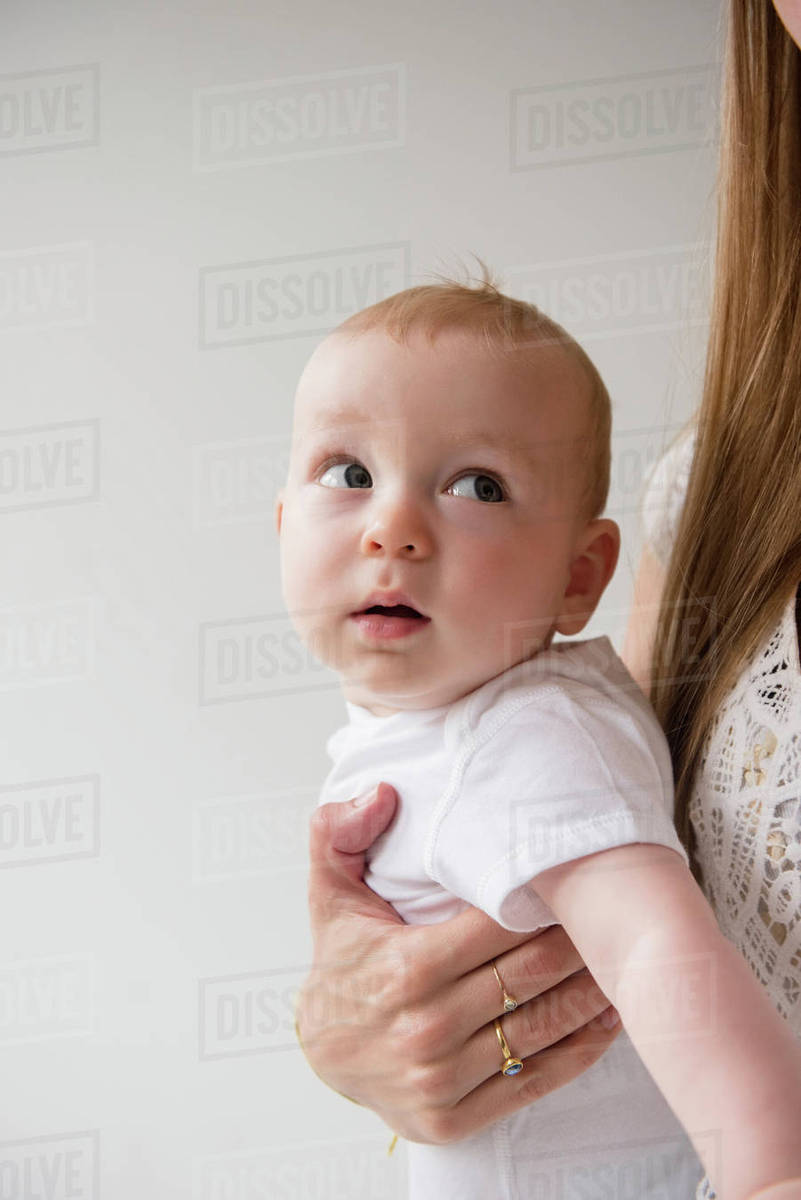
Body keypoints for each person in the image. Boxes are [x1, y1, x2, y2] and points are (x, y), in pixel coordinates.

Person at [290, 3, 801, 1199]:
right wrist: (353, 1019)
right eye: (347, 475)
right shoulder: (726, 492)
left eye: (476, 486)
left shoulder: (530, 738)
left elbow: (658, 946)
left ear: (583, 574)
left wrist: (770, 1167)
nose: (392, 527)